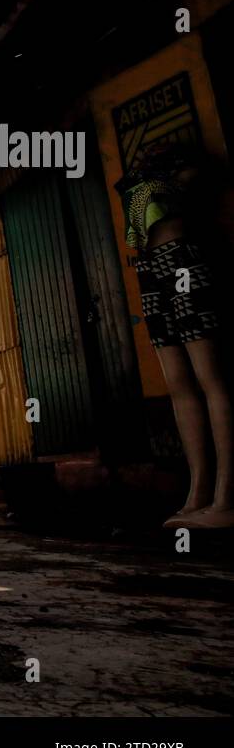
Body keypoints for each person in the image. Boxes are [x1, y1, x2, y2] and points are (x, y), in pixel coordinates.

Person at [116, 141, 233, 530]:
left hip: (181, 259)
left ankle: (224, 496)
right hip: (152, 267)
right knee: (181, 382)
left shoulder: (176, 186)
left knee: (210, 379)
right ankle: (198, 492)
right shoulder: (149, 187)